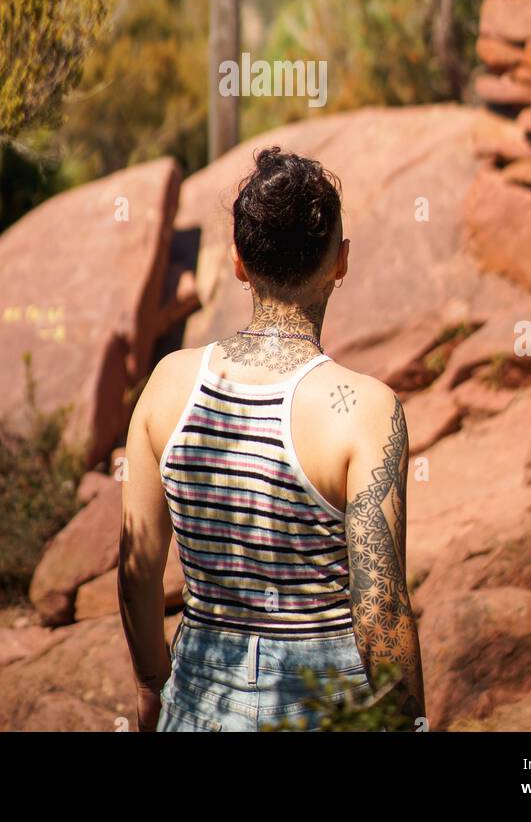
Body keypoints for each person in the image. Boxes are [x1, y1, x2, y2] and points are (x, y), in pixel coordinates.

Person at [118, 145, 425, 732]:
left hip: (200, 693)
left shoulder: (168, 384)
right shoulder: (366, 409)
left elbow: (137, 570)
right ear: (341, 261)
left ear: (237, 260)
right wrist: (412, 721)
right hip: (325, 701)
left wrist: (152, 684)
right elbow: (380, 610)